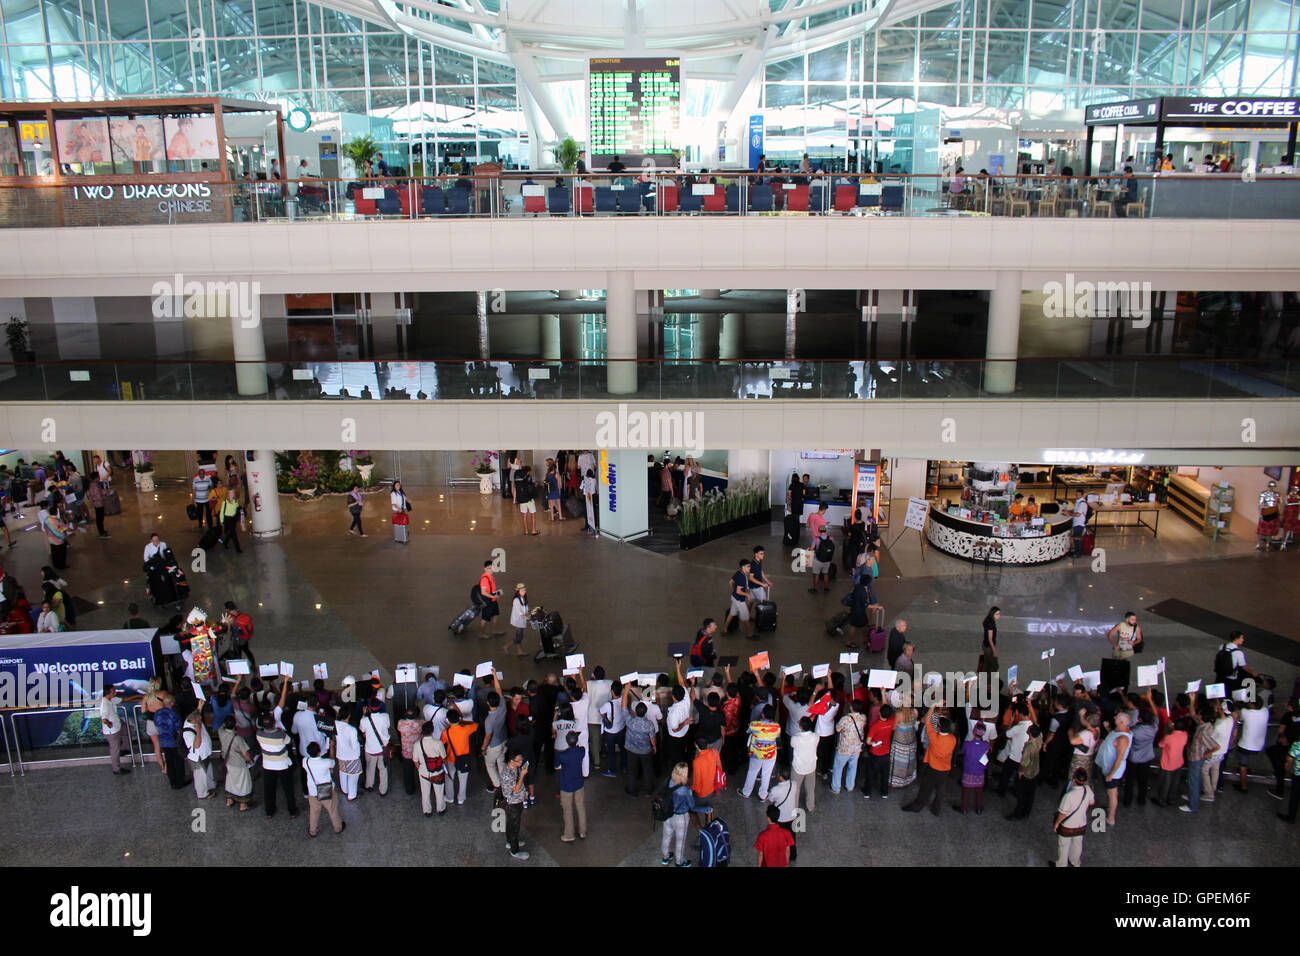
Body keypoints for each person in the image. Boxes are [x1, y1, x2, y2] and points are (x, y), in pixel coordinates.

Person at [902, 703, 956, 815]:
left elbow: (927, 721)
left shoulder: (934, 737)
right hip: (945, 769)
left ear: (939, 727)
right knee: (941, 789)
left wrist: (933, 706)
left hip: (933, 768)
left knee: (925, 788)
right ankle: (936, 809)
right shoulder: (953, 739)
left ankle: (917, 806)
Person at [661, 761, 709, 866]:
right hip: (680, 818)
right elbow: (692, 806)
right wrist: (705, 809)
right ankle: (679, 862)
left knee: (666, 836)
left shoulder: (668, 781)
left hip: (667, 814)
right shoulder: (685, 790)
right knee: (680, 841)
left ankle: (665, 857)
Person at [1053, 767, 1095, 867]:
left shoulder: (1069, 796)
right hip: (1081, 823)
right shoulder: (1087, 790)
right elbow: (1092, 802)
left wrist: (1057, 823)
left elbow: (1063, 813)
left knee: (1064, 846)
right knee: (1077, 844)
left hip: (1067, 826)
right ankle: (1075, 862)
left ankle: (1061, 864)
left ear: (1074, 779)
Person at [738, 703, 780, 800]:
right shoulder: (777, 727)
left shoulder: (754, 725)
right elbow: (776, 736)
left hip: (756, 753)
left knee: (752, 772)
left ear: (763, 715)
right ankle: (763, 795)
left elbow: (748, 731)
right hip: (770, 754)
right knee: (766, 774)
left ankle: (746, 792)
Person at [622, 689, 658, 795]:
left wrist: (626, 689)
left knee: (632, 770)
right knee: (647, 770)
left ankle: (632, 790)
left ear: (635, 711)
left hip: (631, 749)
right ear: (645, 712)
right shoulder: (649, 724)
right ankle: (648, 790)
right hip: (645, 751)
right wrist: (654, 746)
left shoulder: (630, 721)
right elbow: (652, 738)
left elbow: (623, 706)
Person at [441, 708, 479, 806]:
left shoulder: (446, 732)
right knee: (463, 779)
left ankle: (449, 797)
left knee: (449, 778)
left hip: (451, 758)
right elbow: (475, 725)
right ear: (459, 718)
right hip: (464, 758)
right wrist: (462, 721)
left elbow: (442, 743)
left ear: (447, 720)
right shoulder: (466, 729)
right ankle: (461, 798)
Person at [555, 730, 588, 842]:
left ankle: (569, 835)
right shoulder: (581, 751)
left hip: (566, 784)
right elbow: (580, 749)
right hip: (579, 783)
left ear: (567, 742)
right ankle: (582, 831)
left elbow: (556, 766)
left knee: (567, 809)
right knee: (580, 806)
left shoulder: (562, 755)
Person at [218, 715, 255, 811]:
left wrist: (227, 721)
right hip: (239, 764)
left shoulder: (221, 732)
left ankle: (229, 800)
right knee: (243, 783)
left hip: (228, 762)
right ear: (235, 725)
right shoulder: (238, 738)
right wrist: (251, 761)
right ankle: (243, 804)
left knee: (230, 781)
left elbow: (221, 727)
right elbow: (245, 754)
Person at [830, 699, 867, 794]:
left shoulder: (845, 719)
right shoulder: (863, 718)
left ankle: (836, 788)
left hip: (844, 748)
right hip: (856, 748)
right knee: (853, 767)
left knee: (838, 767)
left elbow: (838, 728)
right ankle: (850, 786)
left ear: (851, 707)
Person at [501, 750, 531, 860]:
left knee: (510, 824)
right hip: (513, 804)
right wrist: (523, 775)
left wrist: (524, 794)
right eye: (519, 761)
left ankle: (510, 841)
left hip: (517, 801)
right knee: (514, 826)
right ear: (511, 761)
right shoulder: (507, 774)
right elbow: (516, 789)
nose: (521, 762)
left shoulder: (515, 768)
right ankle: (515, 850)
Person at [954, 722, 990, 814]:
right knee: (979, 791)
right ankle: (979, 808)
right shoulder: (986, 745)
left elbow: (962, 752)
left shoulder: (967, 744)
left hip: (968, 771)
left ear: (974, 732)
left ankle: (964, 809)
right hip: (980, 772)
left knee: (966, 791)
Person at [415, 720, 448, 816]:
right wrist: (445, 768)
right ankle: (440, 809)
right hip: (437, 772)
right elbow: (444, 758)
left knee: (425, 792)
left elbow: (415, 760)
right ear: (432, 732)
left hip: (424, 772)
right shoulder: (438, 743)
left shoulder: (417, 745)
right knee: (439, 791)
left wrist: (420, 769)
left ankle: (427, 811)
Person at [360, 699, 391, 796]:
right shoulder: (386, 717)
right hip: (383, 749)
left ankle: (369, 785)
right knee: (383, 769)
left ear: (369, 708)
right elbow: (388, 726)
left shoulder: (364, 720)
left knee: (370, 768)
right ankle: (383, 790)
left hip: (370, 749)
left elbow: (362, 730)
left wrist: (364, 715)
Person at [100, 684, 129, 776]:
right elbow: (104, 719)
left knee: (129, 729)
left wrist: (139, 696)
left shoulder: (111, 699)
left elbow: (124, 699)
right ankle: (116, 769)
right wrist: (109, 724)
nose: (115, 692)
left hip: (118, 727)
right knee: (114, 750)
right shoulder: (104, 704)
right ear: (108, 693)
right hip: (112, 731)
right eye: (113, 691)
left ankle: (125, 748)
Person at [723, 558, 753, 638]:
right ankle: (749, 634)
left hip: (734, 598)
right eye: (748, 566)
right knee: (746, 617)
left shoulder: (738, 572)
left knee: (732, 614)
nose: (750, 568)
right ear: (743, 567)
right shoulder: (742, 577)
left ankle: (725, 629)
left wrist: (734, 590)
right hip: (740, 600)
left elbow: (731, 582)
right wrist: (747, 595)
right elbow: (739, 591)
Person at [477, 560, 503, 639]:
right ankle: (481, 633)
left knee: (495, 615)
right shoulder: (485, 579)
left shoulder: (490, 576)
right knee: (484, 618)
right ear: (485, 569)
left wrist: (495, 594)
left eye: (492, 568)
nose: (491, 570)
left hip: (493, 600)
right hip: (488, 601)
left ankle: (494, 631)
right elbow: (483, 592)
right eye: (489, 568)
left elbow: (491, 588)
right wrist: (493, 597)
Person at [514, 465, 540, 535]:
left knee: (524, 516)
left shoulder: (518, 477)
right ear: (528, 472)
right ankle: (533, 530)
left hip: (521, 499)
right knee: (533, 515)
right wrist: (535, 485)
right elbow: (531, 487)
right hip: (529, 499)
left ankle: (526, 531)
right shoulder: (528, 477)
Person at [507, 583, 530, 657]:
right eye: (522, 590)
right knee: (519, 637)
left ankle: (519, 651)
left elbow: (526, 608)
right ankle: (506, 646)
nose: (524, 592)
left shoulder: (523, 598)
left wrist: (529, 614)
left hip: (521, 620)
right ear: (518, 591)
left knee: (520, 636)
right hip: (517, 621)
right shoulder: (516, 600)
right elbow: (519, 612)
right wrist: (526, 617)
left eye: (525, 590)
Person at [1071, 491, 1089, 557]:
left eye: (1078, 494)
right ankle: (1078, 551)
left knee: (1077, 539)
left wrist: (1069, 514)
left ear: (1082, 495)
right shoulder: (1078, 501)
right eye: (1076, 494)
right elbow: (1075, 511)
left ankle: (1078, 553)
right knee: (1077, 538)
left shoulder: (1082, 504)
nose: (1077, 496)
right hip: (1076, 523)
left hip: (1079, 523)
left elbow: (1078, 514)